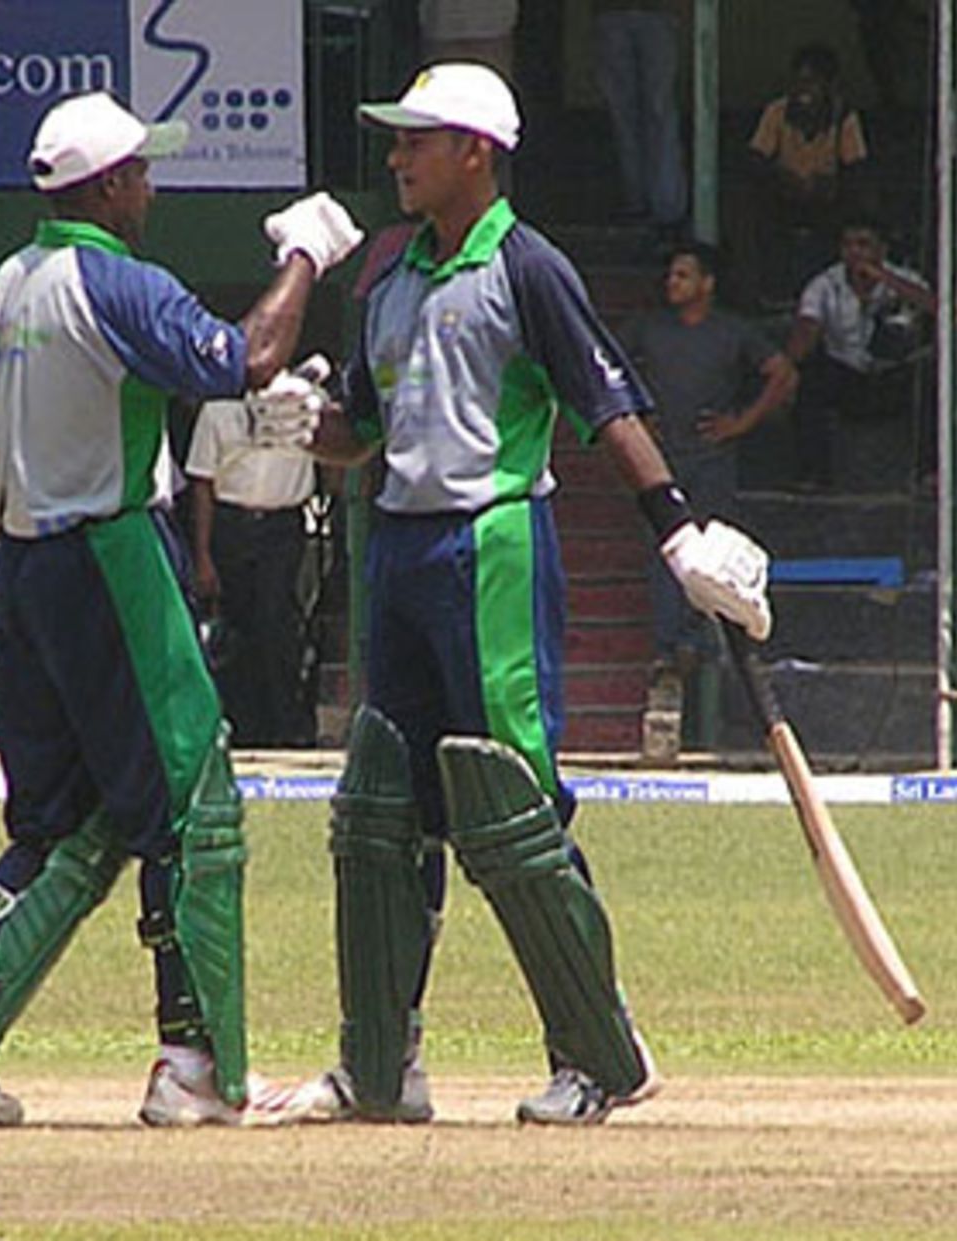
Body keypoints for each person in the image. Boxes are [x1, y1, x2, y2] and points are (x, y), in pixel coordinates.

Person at [252, 63, 771, 1125]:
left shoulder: (528, 267)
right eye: (396, 141)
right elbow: (364, 428)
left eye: (417, 141)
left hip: (489, 548)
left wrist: (677, 537)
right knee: (381, 806)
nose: (397, 157)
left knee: (512, 805)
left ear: (476, 152)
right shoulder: (390, 278)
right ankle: (380, 1067)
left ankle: (602, 1052)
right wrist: (309, 424)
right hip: (395, 551)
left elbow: (604, 405)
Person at [0, 91, 362, 1126]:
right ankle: (199, 1070)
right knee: (195, 813)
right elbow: (246, 361)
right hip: (114, 559)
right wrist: (308, 256)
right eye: (141, 172)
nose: (152, 186)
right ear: (104, 187)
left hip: (29, 573)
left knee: (61, 822)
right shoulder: (117, 282)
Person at [617, 243, 796, 674]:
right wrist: (638, 416)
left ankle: (704, 641)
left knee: (712, 553)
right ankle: (667, 644)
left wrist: (743, 422)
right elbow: (607, 364)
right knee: (665, 549)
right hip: (661, 460)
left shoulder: (732, 331)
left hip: (712, 457)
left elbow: (783, 373)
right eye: (671, 276)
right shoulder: (650, 327)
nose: (672, 283)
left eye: (683, 275)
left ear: (707, 284)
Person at [186, 397, 317, 748]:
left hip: (282, 525)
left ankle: (288, 725)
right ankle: (244, 725)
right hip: (232, 524)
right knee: (237, 628)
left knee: (278, 622)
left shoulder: (302, 404)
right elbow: (202, 483)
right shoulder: (217, 410)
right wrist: (202, 555)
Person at [786, 214, 935, 490]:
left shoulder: (905, 279)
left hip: (895, 374)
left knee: (932, 380)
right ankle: (812, 475)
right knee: (812, 381)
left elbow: (938, 309)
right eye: (848, 245)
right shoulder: (825, 284)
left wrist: (883, 278)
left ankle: (929, 472)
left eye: (864, 244)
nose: (855, 252)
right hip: (847, 374)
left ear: (882, 249)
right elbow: (803, 337)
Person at [747, 44, 869, 304]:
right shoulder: (777, 111)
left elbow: (857, 171)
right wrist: (782, 177)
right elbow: (756, 160)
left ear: (829, 85)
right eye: (799, 81)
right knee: (761, 216)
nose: (804, 90)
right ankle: (773, 294)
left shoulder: (844, 117)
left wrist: (829, 186)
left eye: (813, 82)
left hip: (827, 201)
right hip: (783, 196)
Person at [592, 0, 688, 234]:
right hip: (615, 12)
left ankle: (665, 206)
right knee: (629, 113)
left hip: (656, 11)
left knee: (656, 111)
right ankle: (640, 201)